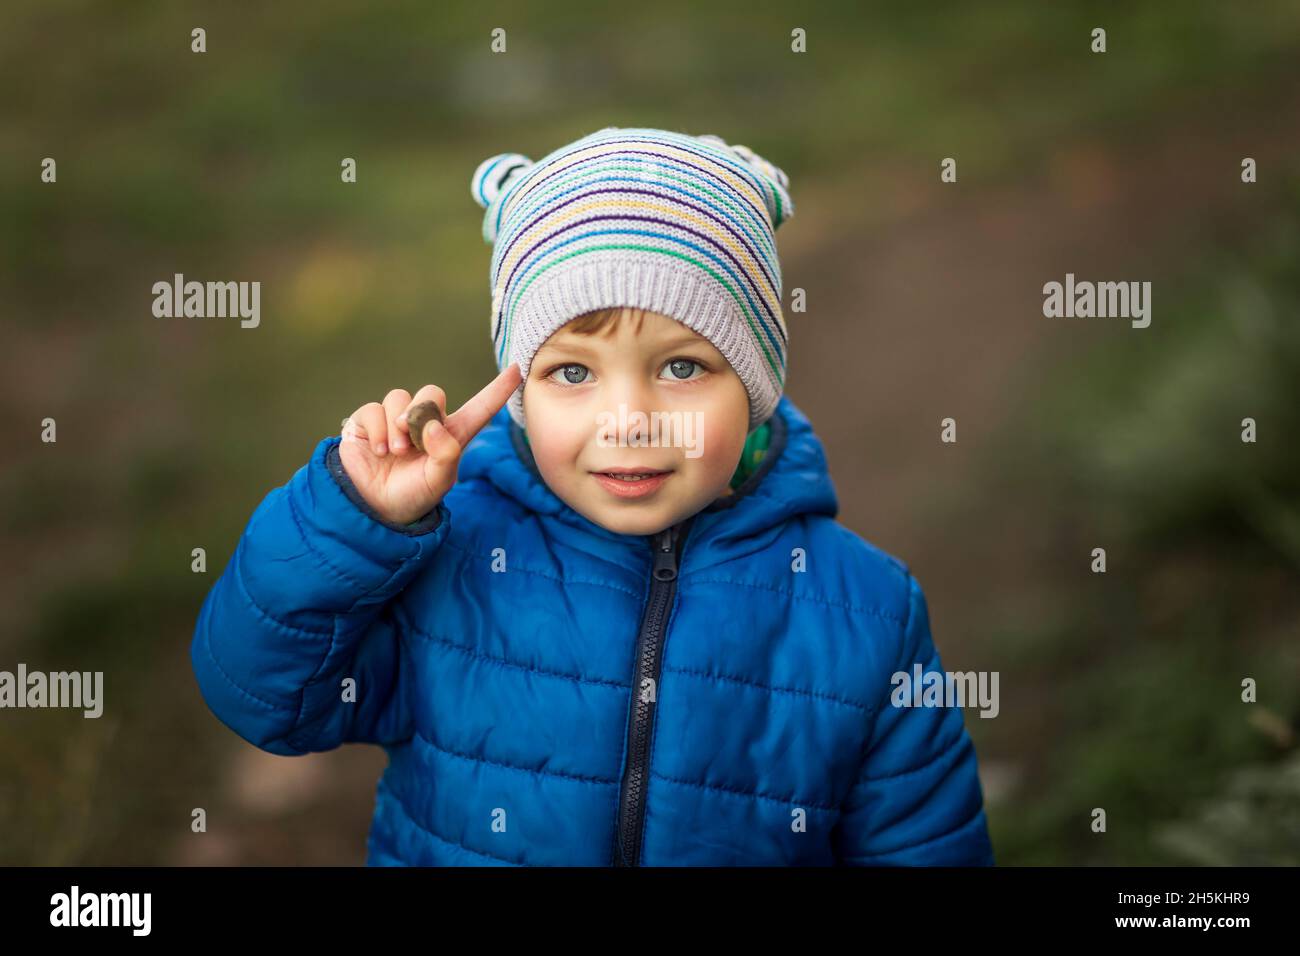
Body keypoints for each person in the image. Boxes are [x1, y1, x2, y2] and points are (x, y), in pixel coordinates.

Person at [191, 126, 995, 866]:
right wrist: (349, 525)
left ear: (754, 389)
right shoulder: (452, 561)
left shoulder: (870, 614)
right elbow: (264, 695)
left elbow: (923, 847)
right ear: (520, 394)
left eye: (682, 367)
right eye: (572, 372)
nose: (630, 421)